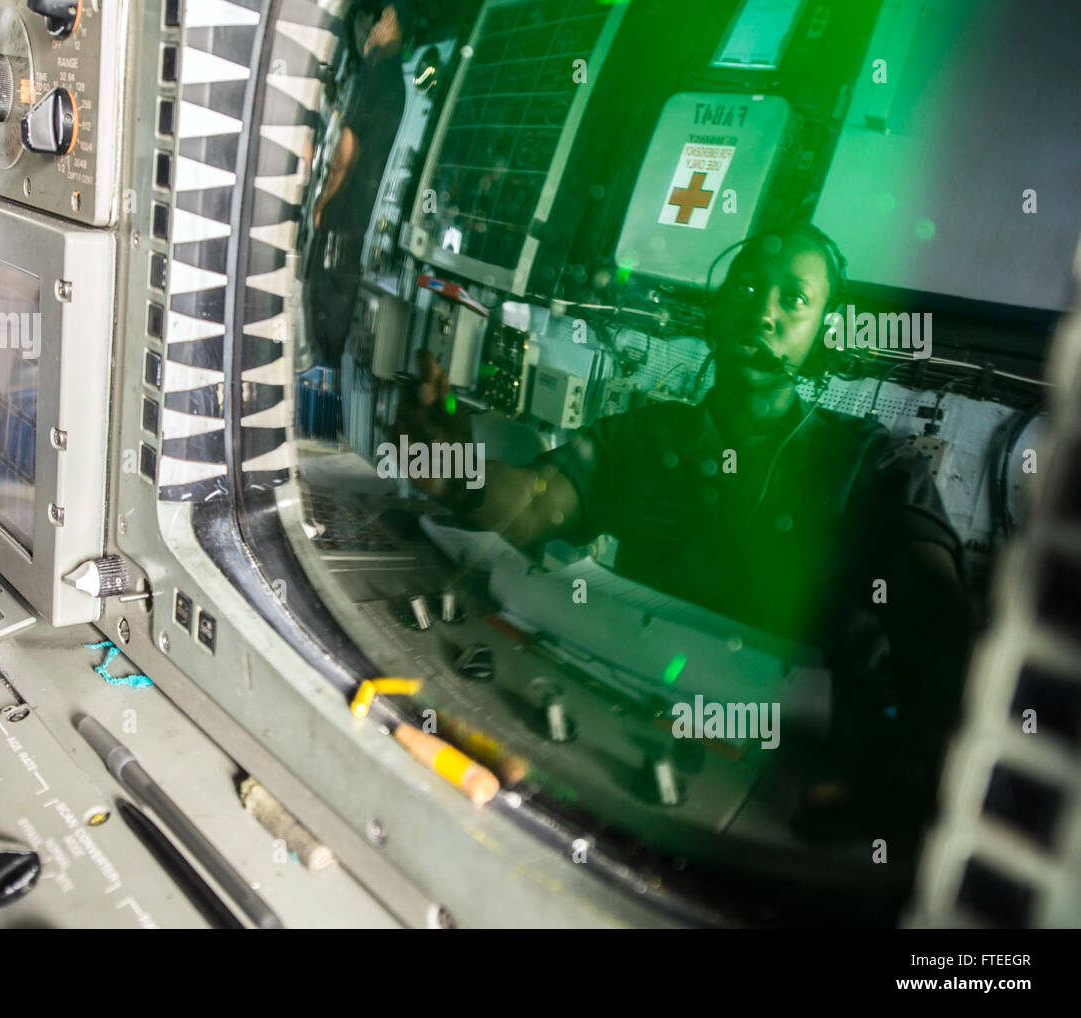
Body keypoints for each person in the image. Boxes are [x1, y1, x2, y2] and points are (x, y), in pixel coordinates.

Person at [397, 224, 977, 837]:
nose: (763, 313)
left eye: (794, 300)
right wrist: (455, 474)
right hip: (635, 710)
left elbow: (931, 606)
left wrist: (927, 741)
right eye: (747, 287)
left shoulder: (873, 465)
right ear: (718, 305)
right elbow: (536, 506)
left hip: (799, 766)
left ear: (824, 334)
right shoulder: (645, 438)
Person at [306, 2, 409, 369]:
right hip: (362, 216)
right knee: (338, 296)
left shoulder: (374, 73)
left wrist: (322, 200)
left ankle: (319, 364)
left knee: (322, 294)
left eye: (378, 19)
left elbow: (346, 149)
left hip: (344, 209)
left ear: (390, 21)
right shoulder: (398, 85)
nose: (371, 29)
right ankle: (326, 364)